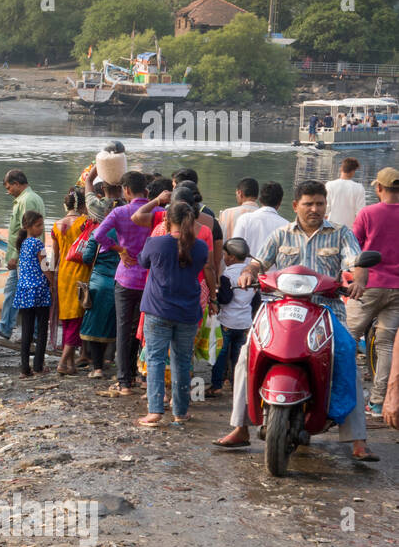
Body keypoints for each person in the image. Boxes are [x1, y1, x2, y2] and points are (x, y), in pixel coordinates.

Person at [215, 180, 374, 460]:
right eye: (309, 204)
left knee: (347, 353)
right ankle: (240, 427)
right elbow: (258, 262)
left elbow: (356, 263)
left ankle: (357, 439)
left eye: (320, 204)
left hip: (326, 311)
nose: (315, 209)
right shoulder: (281, 234)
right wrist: (248, 273)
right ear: (295, 206)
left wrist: (358, 281)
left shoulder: (340, 233)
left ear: (326, 205)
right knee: (246, 354)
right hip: (282, 308)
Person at [136, 201, 210, 426]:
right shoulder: (200, 247)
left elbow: (142, 261)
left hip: (158, 309)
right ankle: (180, 411)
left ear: (167, 220)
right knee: (182, 360)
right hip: (188, 311)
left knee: (156, 358)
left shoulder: (156, 243)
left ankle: (155, 412)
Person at [92, 170, 151, 397]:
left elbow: (98, 235)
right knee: (144, 328)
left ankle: (124, 381)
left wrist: (119, 249)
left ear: (126, 190)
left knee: (123, 327)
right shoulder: (157, 212)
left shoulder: (120, 212)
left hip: (126, 277)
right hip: (149, 279)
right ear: (145, 189)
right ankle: (142, 375)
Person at [347, 167, 399, 416]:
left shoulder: (367, 213)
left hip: (368, 286)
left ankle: (340, 393)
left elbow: (353, 250)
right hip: (397, 289)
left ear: (378, 188)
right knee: (387, 344)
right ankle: (377, 403)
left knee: (347, 338)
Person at [0, 169, 44, 339]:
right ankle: (9, 327)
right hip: (26, 253)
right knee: (18, 292)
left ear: (16, 184)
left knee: (16, 292)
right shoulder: (29, 198)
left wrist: (15, 255)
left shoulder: (27, 200)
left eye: (9, 187)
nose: (8, 192)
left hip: (24, 255)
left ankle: (10, 328)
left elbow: (25, 230)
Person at [79, 195, 119, 378]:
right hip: (120, 283)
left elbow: (87, 258)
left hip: (98, 283)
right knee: (114, 323)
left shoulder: (98, 232)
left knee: (95, 326)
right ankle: (110, 361)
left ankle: (97, 368)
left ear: (106, 213)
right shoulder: (127, 232)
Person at [52, 187, 91, 374]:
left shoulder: (56, 225)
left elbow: (55, 257)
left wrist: (52, 279)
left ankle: (71, 365)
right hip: (81, 273)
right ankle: (63, 362)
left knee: (68, 317)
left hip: (63, 274)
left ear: (65, 205)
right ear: (83, 205)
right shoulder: (85, 223)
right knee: (77, 319)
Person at [211, 244, 255, 399]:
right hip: (245, 322)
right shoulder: (252, 274)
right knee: (239, 357)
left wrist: (216, 297)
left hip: (228, 321)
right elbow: (255, 300)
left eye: (224, 255)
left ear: (232, 257)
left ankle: (216, 386)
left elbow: (226, 298)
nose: (224, 257)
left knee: (221, 355)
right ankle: (238, 387)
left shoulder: (228, 275)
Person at [14, 210, 52, 376]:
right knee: (42, 329)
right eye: (38, 226)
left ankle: (24, 368)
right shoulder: (38, 244)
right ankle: (37, 366)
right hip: (39, 290)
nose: (41, 229)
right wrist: (55, 282)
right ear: (28, 226)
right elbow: (45, 268)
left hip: (24, 290)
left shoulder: (23, 243)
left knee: (26, 330)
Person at [231, 181, 288, 275]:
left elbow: (234, 248)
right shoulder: (286, 225)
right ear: (280, 202)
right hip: (272, 281)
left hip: (245, 278)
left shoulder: (245, 219)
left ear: (260, 200)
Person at [326, 157, 365, 229]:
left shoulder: (329, 185)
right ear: (353, 171)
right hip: (349, 230)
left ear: (341, 169)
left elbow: (326, 209)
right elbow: (360, 213)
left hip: (331, 227)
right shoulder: (359, 188)